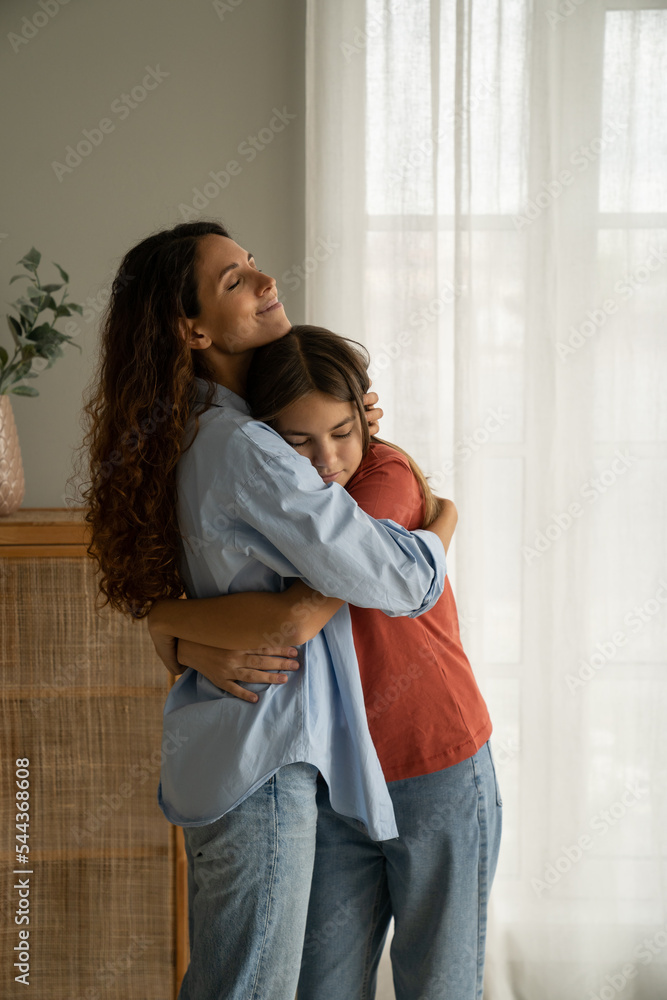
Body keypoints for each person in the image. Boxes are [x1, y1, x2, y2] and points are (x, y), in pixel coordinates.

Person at [81, 220, 457, 1000]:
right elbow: (397, 578)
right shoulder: (246, 449)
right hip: (266, 750)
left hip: (229, 744)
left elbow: (203, 599)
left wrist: (173, 628)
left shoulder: (198, 433)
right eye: (232, 281)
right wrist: (443, 521)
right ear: (191, 329)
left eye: (252, 264)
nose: (263, 280)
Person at [148, 326, 502, 999]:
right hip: (336, 780)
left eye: (340, 431)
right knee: (321, 986)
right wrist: (170, 628)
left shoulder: (384, 476)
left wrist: (168, 622)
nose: (325, 460)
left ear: (365, 412)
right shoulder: (274, 493)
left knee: (440, 986)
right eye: (297, 440)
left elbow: (302, 614)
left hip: (438, 765)